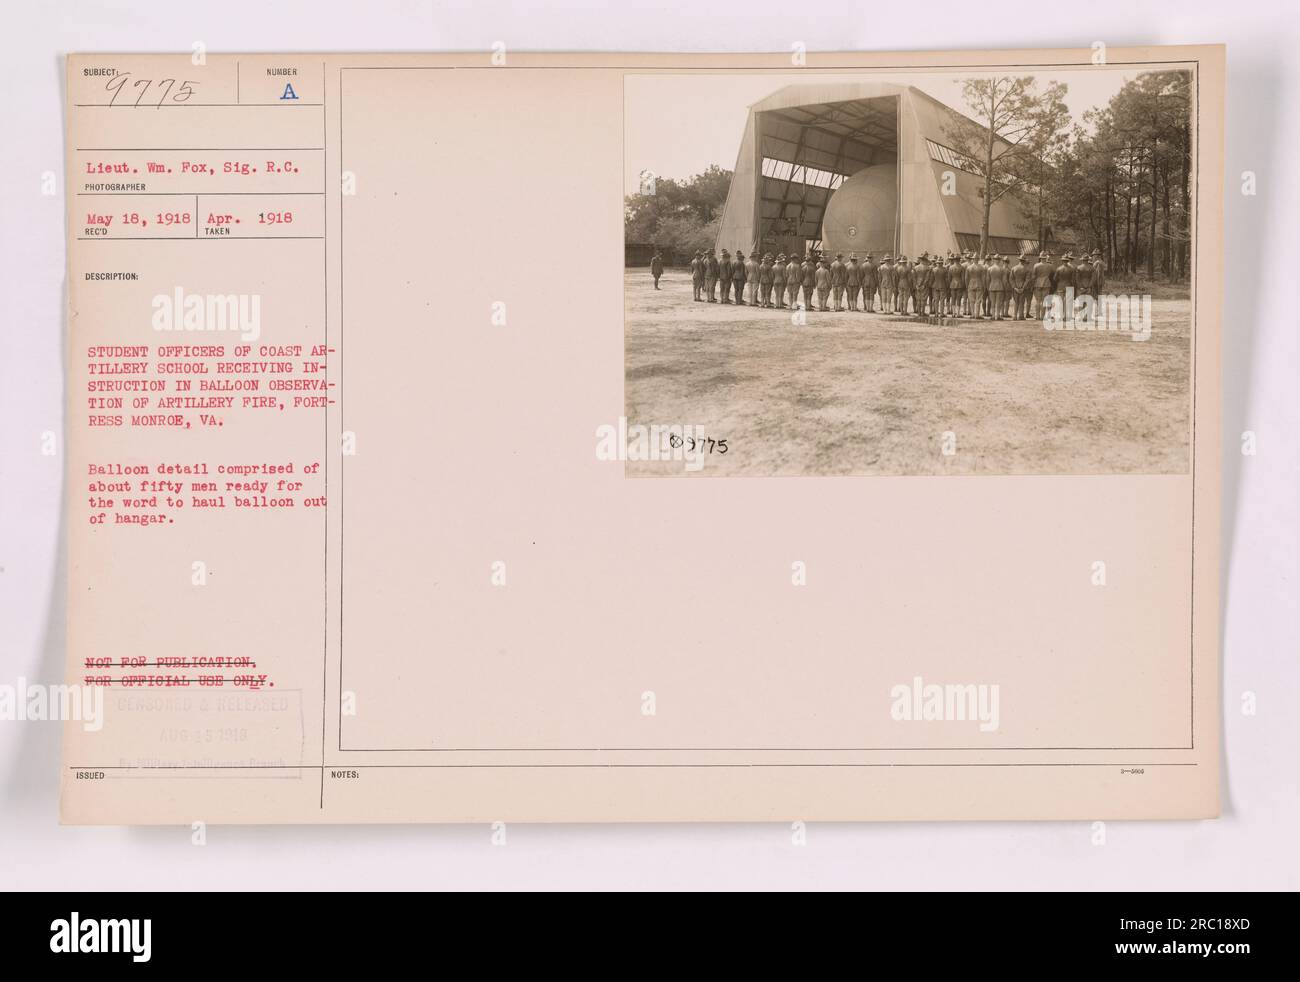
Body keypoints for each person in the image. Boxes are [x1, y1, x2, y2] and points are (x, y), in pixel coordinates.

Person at [1010, 253, 1032, 320]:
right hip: (1023, 287)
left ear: (1019, 260)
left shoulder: (1013, 268)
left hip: (1015, 287)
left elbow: (1011, 279)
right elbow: (1027, 280)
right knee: (1021, 302)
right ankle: (1021, 316)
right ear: (1024, 261)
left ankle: (1014, 316)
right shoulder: (1027, 269)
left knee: (1016, 302)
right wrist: (1023, 288)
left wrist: (1014, 287)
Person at [1054, 252, 1076, 318]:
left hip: (1060, 286)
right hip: (1069, 285)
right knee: (1067, 301)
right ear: (1067, 261)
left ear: (1062, 261)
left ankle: (1061, 315)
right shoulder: (1072, 269)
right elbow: (1073, 279)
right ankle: (1066, 316)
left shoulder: (1058, 268)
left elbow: (1055, 278)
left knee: (1061, 301)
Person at [966, 253, 987, 318]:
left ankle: (972, 314)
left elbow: (966, 278)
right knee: (978, 300)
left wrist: (967, 285)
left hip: (971, 284)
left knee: (971, 300)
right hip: (979, 283)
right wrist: (984, 286)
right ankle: (977, 315)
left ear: (973, 259)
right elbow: (983, 278)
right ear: (978, 259)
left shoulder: (969, 267)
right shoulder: (981, 267)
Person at [987, 253, 1007, 320]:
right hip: (1000, 286)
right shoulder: (1002, 269)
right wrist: (1004, 287)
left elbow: (988, 280)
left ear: (994, 260)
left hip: (992, 286)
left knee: (993, 302)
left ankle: (993, 316)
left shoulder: (989, 269)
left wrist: (988, 287)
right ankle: (997, 316)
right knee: (998, 302)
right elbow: (1004, 280)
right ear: (999, 260)